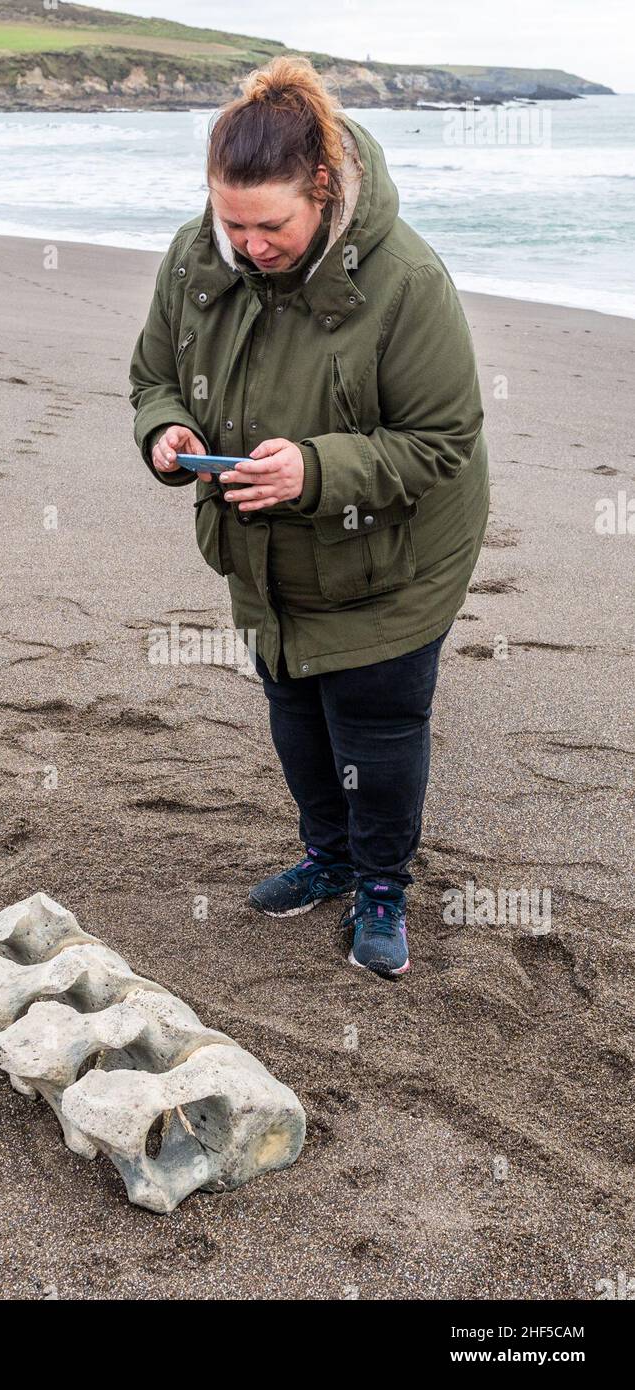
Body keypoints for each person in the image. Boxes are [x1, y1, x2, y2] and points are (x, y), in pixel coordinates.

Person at [128, 56, 490, 978]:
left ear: (323, 190)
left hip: (394, 555)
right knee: (294, 707)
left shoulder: (407, 280)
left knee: (375, 721)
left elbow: (440, 438)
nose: (248, 246)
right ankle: (327, 857)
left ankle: (381, 883)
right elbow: (154, 377)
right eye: (231, 223)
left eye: (271, 226)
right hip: (264, 552)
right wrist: (167, 429)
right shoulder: (194, 252)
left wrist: (317, 467)